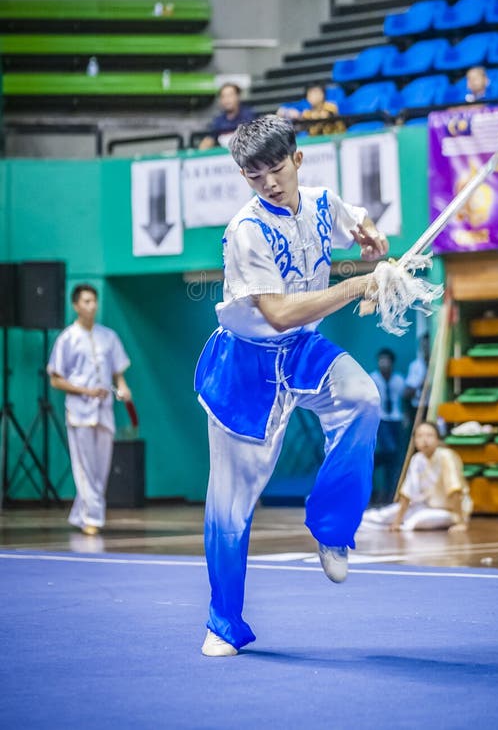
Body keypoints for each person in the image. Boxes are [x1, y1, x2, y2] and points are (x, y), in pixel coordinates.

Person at [193, 114, 388, 656]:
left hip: (303, 351)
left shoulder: (324, 201)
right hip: (246, 366)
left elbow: (364, 228)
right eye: (255, 177)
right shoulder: (246, 232)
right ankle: (222, 623)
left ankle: (331, 528)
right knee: (230, 505)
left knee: (364, 399)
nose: (270, 183)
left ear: (297, 159)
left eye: (277, 169)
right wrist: (358, 285)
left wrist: (373, 241)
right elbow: (278, 314)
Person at [47, 284, 131, 536]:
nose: (91, 305)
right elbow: (55, 378)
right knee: (84, 467)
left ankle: (79, 513)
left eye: (94, 300)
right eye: (86, 301)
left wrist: (122, 387)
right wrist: (85, 391)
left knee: (100, 467)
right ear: (76, 305)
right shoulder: (67, 338)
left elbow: (118, 371)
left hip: (104, 410)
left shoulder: (109, 336)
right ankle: (92, 518)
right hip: (79, 412)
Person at [360, 421, 471, 531]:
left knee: (418, 520)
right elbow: (408, 491)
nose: (424, 440)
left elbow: (454, 490)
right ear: (415, 441)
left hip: (451, 510)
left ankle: (401, 526)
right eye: (420, 436)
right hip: (425, 505)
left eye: (429, 435)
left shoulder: (446, 456)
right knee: (384, 514)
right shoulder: (417, 459)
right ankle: (354, 523)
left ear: (438, 439)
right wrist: (397, 521)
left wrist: (461, 522)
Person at [369, 348, 407, 503]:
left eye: (386, 360)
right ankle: (371, 462)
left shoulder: (399, 379)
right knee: (390, 450)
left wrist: (405, 416)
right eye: (381, 360)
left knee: (394, 458)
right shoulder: (373, 378)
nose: (383, 364)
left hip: (396, 419)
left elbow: (404, 400)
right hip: (381, 419)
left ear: (392, 362)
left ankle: (390, 493)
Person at [198, 82, 256, 150]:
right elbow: (209, 139)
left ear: (238, 96)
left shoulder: (249, 116)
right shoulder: (218, 121)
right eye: (223, 96)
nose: (227, 99)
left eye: (230, 95)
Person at [403, 332, 430, 431]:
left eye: (427, 345)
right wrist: (421, 383)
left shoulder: (438, 365)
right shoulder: (415, 366)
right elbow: (407, 393)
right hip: (417, 408)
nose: (426, 348)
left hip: (432, 407)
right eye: (423, 346)